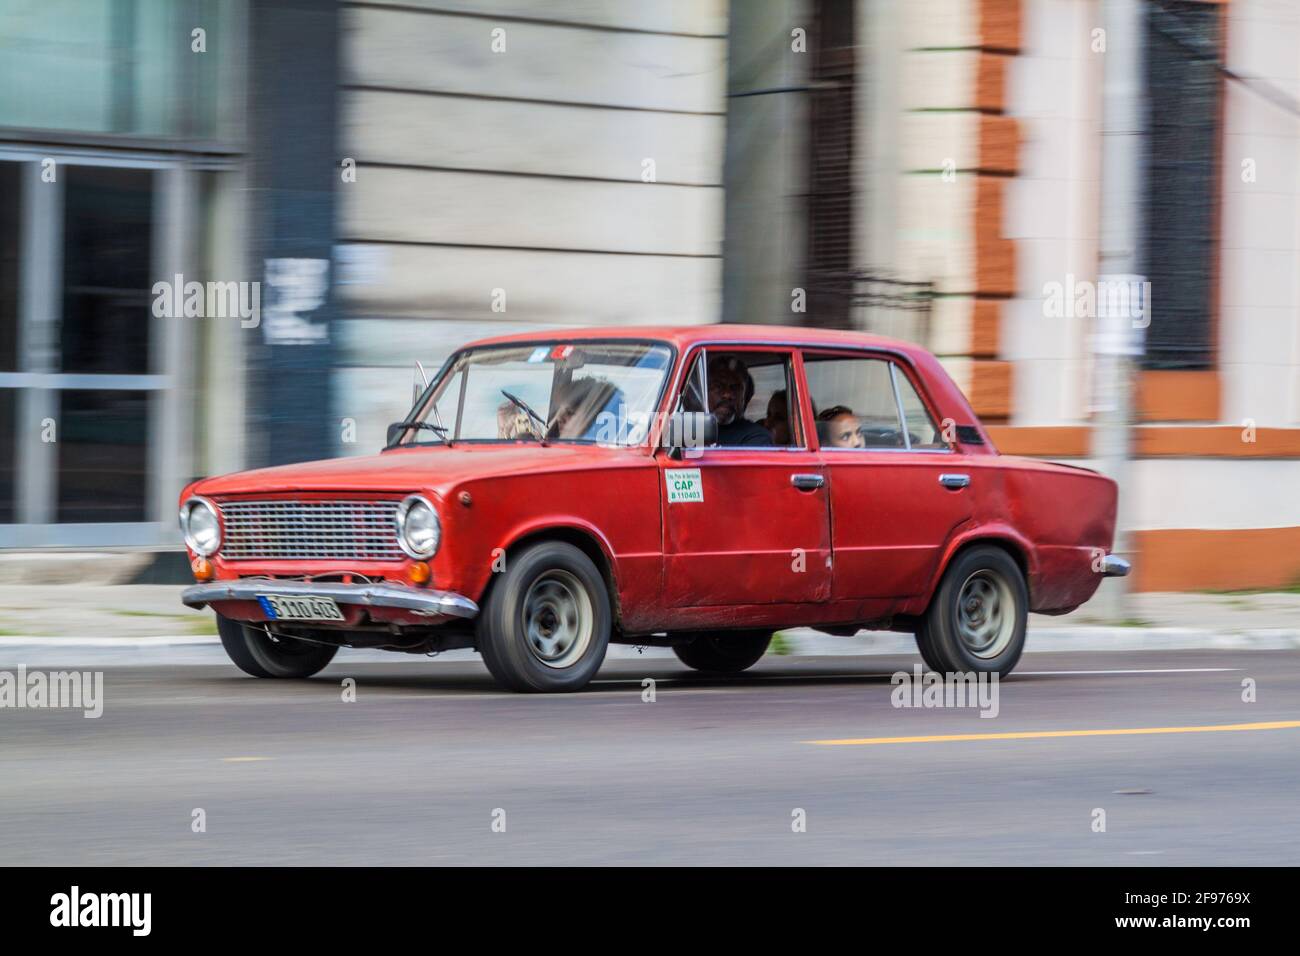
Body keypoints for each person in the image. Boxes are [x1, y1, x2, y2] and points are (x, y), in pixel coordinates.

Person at [707, 354, 771, 446]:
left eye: (735, 388)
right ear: (706, 393)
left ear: (746, 396)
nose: (727, 394)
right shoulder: (694, 431)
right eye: (718, 386)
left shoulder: (757, 437)